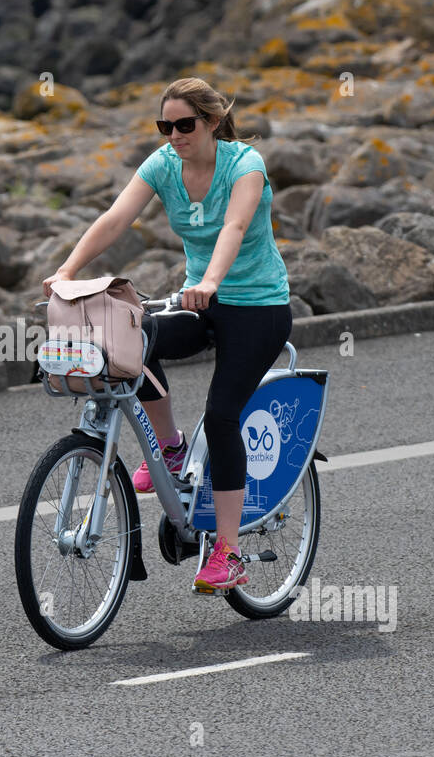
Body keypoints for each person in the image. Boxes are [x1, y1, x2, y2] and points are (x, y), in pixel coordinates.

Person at [41, 77, 291, 592]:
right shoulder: (163, 165)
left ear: (213, 123)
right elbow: (116, 219)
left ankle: (228, 552)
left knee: (223, 416)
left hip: (258, 307)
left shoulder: (245, 164)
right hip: (199, 300)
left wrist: (211, 282)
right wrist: (66, 272)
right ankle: (171, 448)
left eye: (184, 125)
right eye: (165, 125)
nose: (174, 135)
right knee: (133, 342)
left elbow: (234, 230)